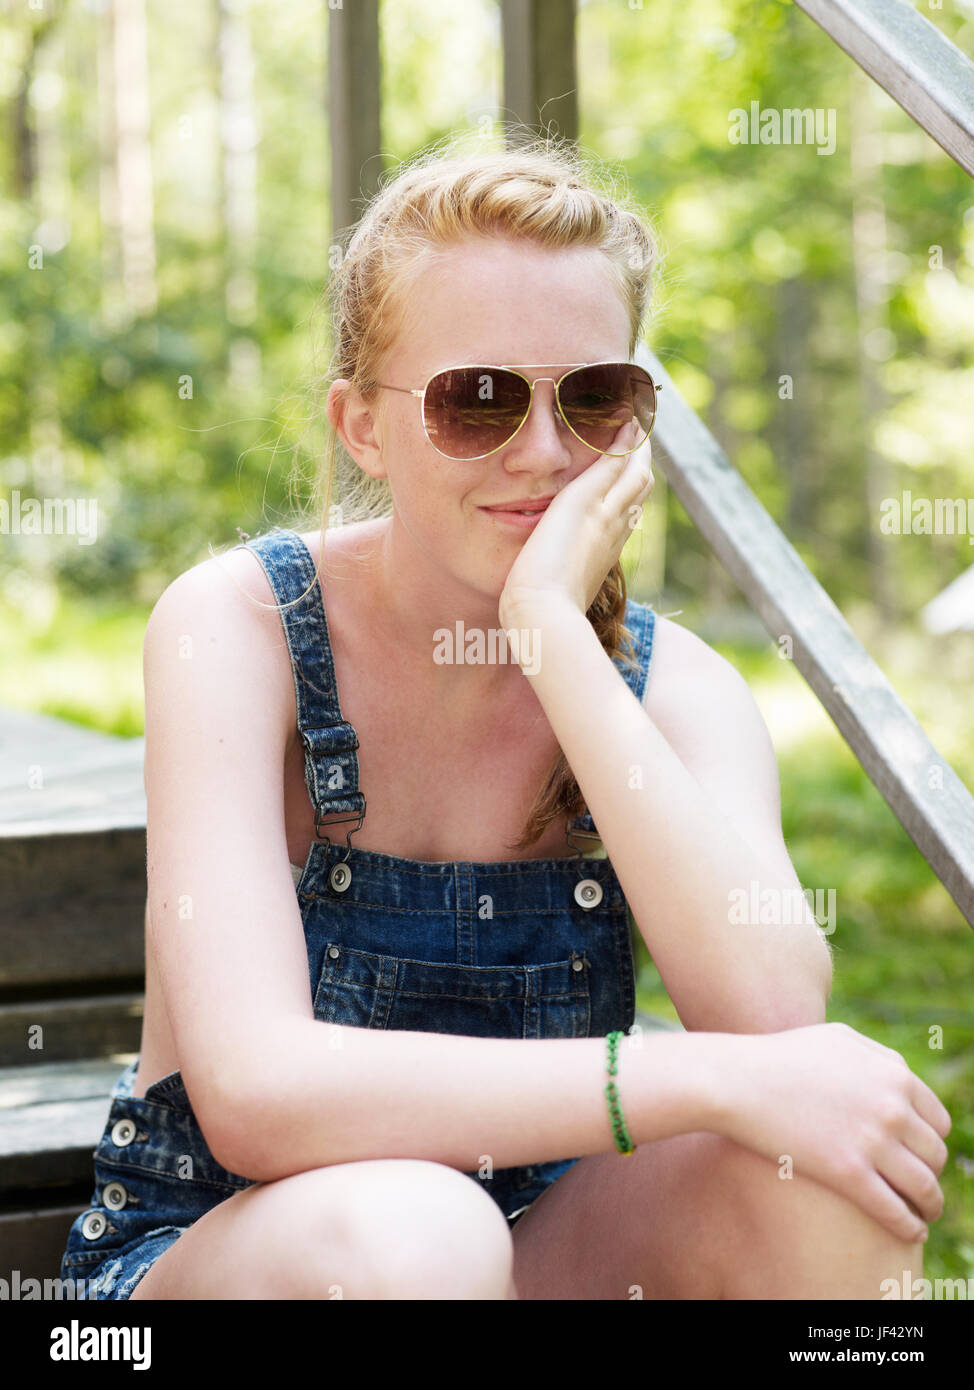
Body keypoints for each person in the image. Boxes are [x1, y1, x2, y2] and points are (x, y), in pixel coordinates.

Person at [60, 132, 950, 1301]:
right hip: (240, 1251)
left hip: (532, 1246)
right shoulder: (239, 628)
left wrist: (550, 635)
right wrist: (684, 1083)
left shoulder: (673, 689)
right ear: (361, 425)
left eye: (592, 395)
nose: (542, 451)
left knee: (822, 1176)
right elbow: (257, 1094)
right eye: (476, 400)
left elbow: (774, 1011)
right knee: (418, 1231)